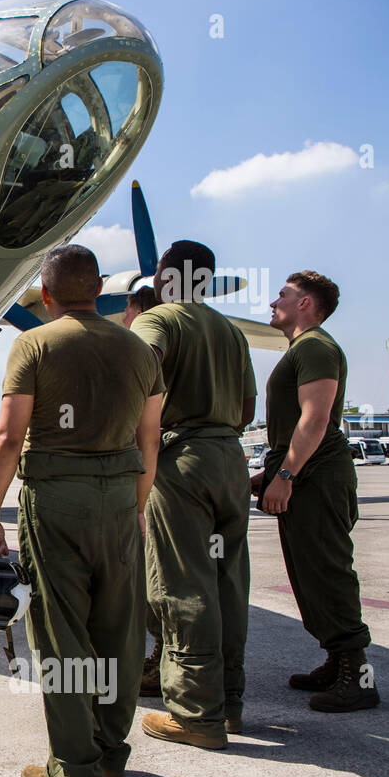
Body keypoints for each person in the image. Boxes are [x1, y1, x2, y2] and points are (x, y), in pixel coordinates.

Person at [0, 244, 163, 777]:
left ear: (47, 291)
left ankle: (75, 773)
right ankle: (110, 751)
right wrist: (135, 502)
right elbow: (149, 437)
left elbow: (9, 436)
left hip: (56, 499)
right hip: (119, 500)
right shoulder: (139, 350)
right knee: (118, 631)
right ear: (99, 285)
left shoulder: (33, 343)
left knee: (61, 636)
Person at [132, 240, 256, 749]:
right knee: (228, 582)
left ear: (164, 275)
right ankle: (228, 703)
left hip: (180, 459)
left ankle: (194, 713)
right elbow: (247, 409)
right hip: (230, 457)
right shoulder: (231, 330)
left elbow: (134, 377)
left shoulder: (158, 320)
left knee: (181, 583)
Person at [257, 272, 379, 712]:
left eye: (284, 295)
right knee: (310, 573)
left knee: (327, 571)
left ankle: (358, 676)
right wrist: (271, 473)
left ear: (306, 303)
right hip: (307, 477)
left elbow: (316, 419)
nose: (274, 302)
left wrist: (284, 476)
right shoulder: (303, 348)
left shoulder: (315, 347)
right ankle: (337, 659)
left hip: (317, 479)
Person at [122, 285, 164, 696]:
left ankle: (164, 660)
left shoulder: (146, 341)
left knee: (158, 577)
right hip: (204, 460)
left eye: (127, 311)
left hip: (152, 475)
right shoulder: (221, 334)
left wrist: (138, 501)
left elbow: (146, 434)